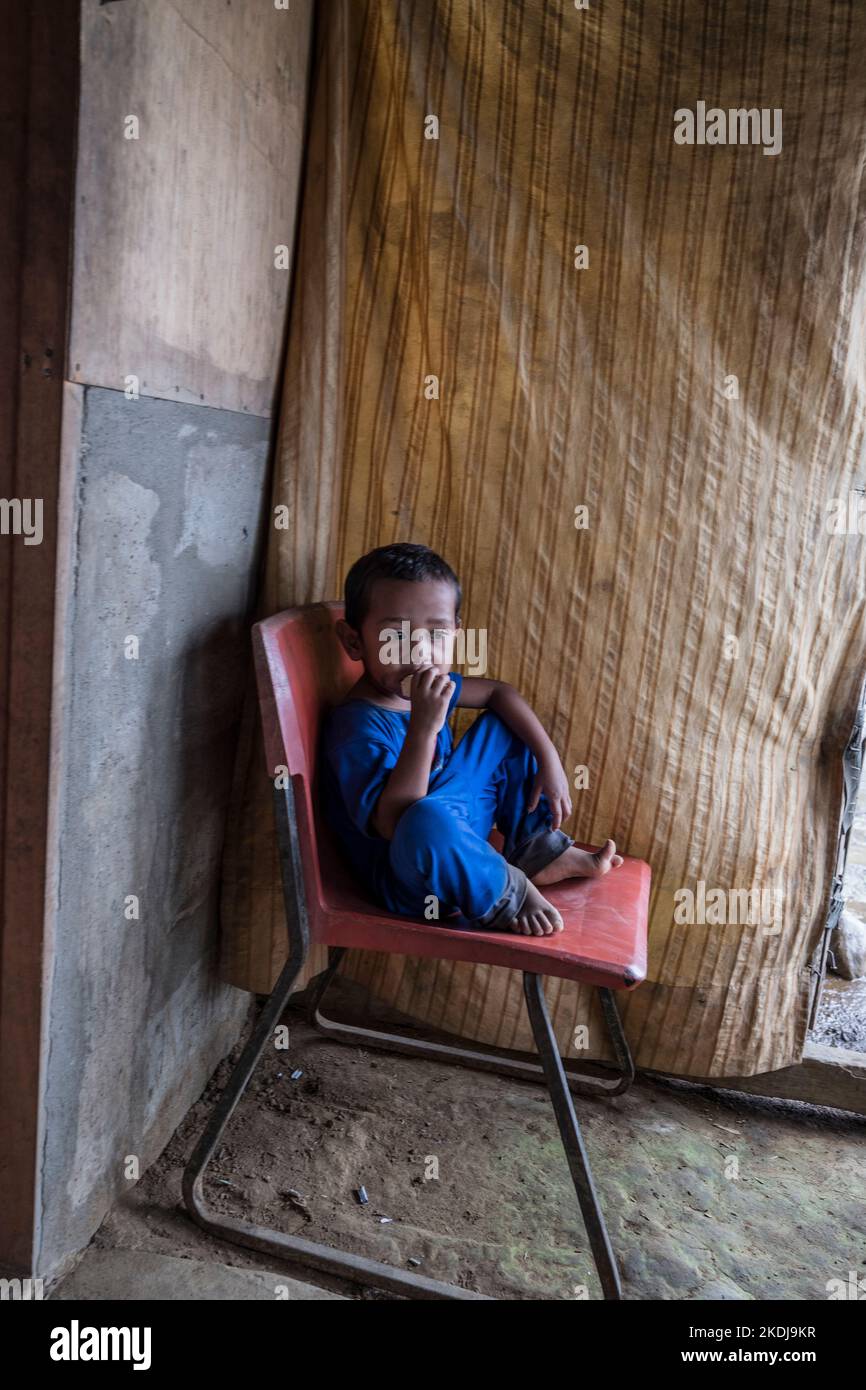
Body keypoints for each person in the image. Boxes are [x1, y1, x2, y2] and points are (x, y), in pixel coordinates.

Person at [319, 543, 622, 936]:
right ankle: (504, 891)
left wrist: (550, 761)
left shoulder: (429, 687)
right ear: (354, 641)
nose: (420, 651)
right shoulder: (355, 727)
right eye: (396, 634)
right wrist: (424, 728)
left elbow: (500, 693)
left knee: (505, 723)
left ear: (456, 634)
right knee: (425, 818)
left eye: (437, 633)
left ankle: (537, 850)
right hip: (416, 876)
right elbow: (397, 824)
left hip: (455, 827)